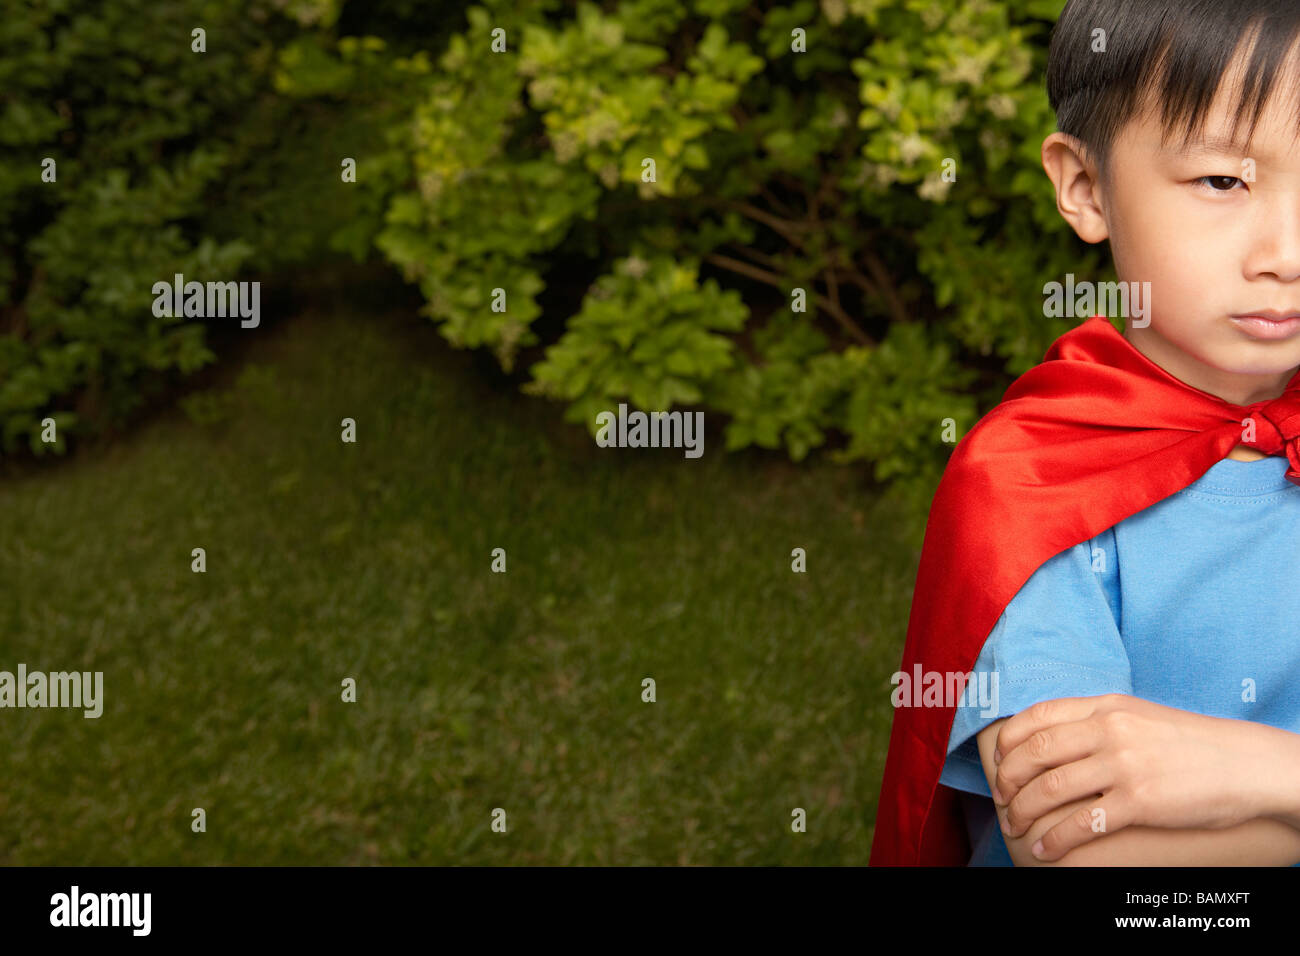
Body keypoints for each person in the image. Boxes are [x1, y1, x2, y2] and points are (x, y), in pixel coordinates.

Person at [871, 0, 1300, 865]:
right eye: (1222, 181)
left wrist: (1254, 771)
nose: (1286, 251)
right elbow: (1087, 849)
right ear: (1086, 188)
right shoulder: (1032, 481)